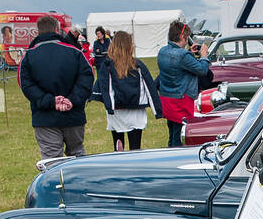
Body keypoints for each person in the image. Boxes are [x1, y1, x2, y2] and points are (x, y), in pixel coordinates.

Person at [18, 14, 94, 159]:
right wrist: (71, 100)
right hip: (72, 115)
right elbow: (87, 78)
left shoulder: (29, 56)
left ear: (38, 32)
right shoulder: (75, 52)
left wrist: (50, 101)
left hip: (45, 117)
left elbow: (26, 85)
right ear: (57, 30)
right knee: (77, 155)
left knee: (51, 161)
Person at [93, 30, 162, 151]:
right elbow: (150, 87)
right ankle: (135, 167)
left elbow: (104, 87)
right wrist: (158, 110)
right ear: (130, 45)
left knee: (118, 148)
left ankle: (119, 163)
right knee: (135, 148)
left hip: (116, 112)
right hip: (136, 112)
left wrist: (109, 107)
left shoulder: (107, 65)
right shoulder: (137, 65)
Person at [156, 19, 210, 146]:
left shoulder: (162, 52)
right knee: (180, 135)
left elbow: (177, 65)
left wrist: (189, 53)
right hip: (181, 99)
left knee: (172, 133)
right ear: (182, 37)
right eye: (187, 38)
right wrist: (203, 56)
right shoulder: (183, 55)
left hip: (167, 97)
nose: (187, 41)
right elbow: (202, 70)